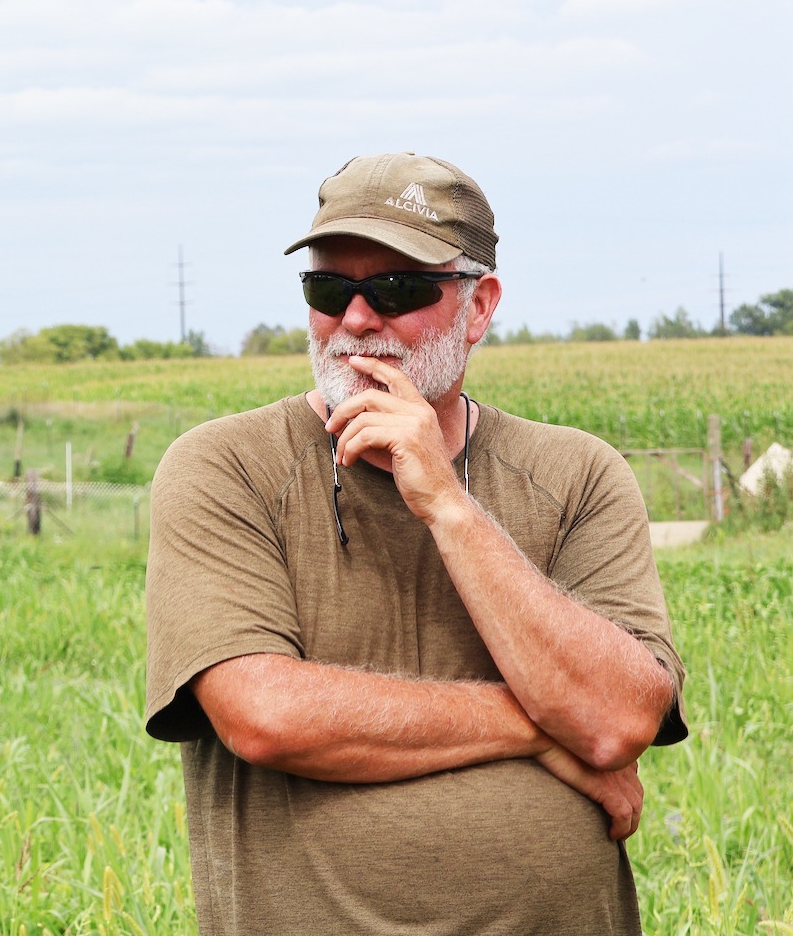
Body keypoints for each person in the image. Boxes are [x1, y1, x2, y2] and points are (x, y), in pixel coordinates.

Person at [143, 152, 687, 934]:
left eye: (398, 289)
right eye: (329, 290)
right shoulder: (227, 466)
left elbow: (616, 717)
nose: (358, 320)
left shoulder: (575, 474)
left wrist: (448, 505)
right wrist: (542, 722)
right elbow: (263, 712)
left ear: (477, 305)